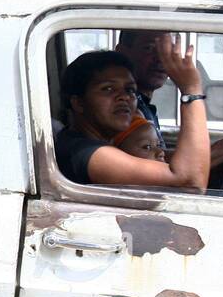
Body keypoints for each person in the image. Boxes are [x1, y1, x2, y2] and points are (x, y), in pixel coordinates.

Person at [56, 37, 210, 189]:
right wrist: (191, 90)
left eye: (130, 90)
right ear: (78, 103)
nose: (124, 97)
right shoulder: (85, 152)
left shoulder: (92, 143)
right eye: (108, 89)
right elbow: (190, 181)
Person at [115, 29, 223, 168]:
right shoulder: (123, 111)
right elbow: (163, 168)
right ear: (122, 53)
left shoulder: (142, 105)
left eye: (166, 51)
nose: (160, 59)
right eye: (149, 49)